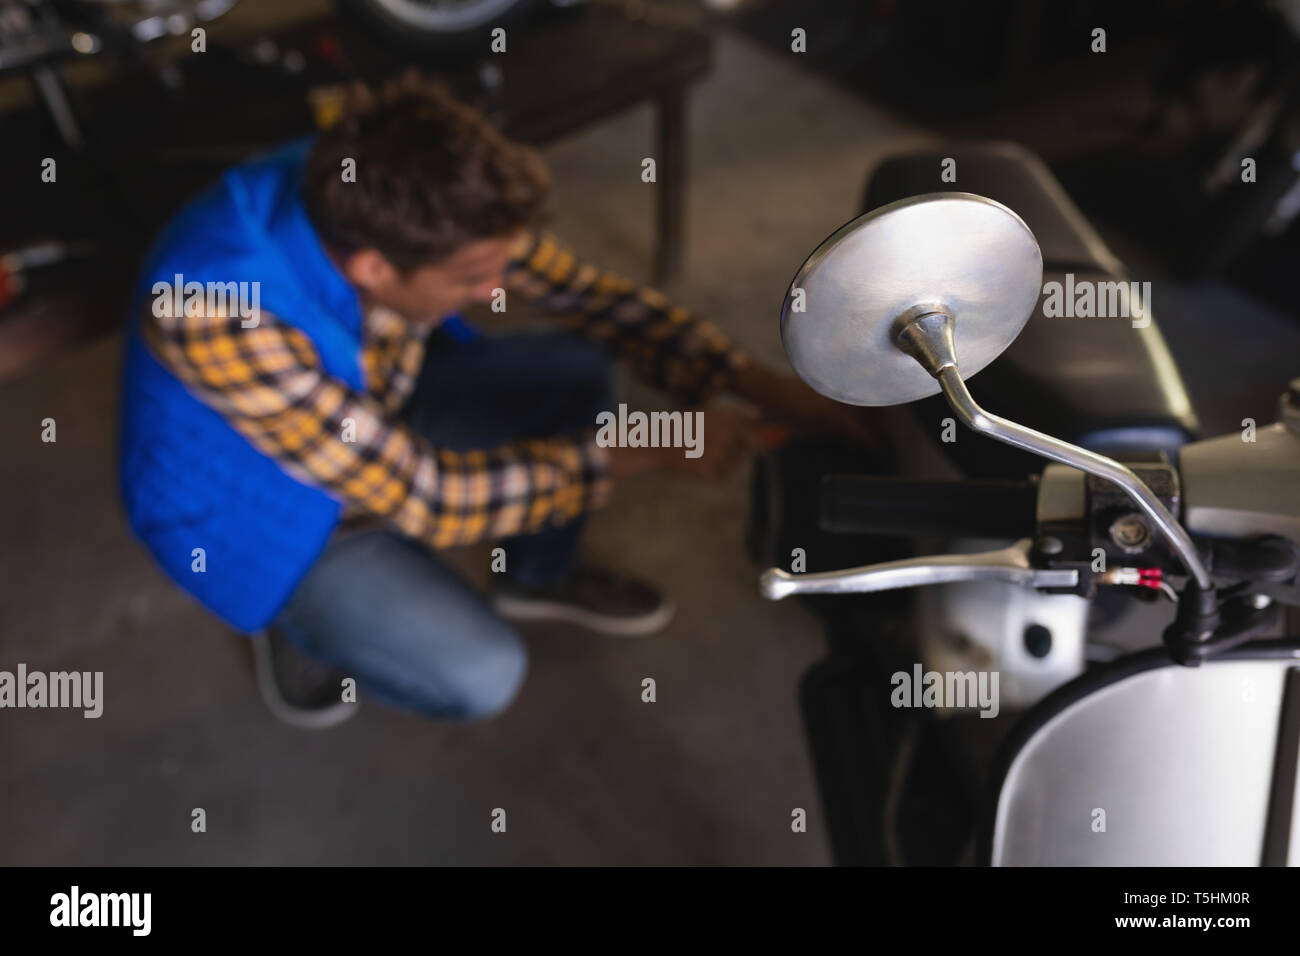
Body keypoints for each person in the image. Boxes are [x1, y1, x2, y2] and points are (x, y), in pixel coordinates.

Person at [117, 77, 873, 728]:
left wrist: (752, 379)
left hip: (365, 407)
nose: (496, 291)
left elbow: (584, 297)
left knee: (576, 373)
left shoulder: (392, 190)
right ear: (374, 267)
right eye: (475, 276)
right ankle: (297, 622)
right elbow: (431, 499)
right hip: (257, 502)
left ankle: (534, 573)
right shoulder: (214, 311)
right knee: (479, 673)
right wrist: (646, 447)